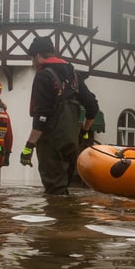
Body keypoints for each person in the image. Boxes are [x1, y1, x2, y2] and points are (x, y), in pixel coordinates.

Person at [19, 36, 99, 194]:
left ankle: (58, 218)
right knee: (64, 189)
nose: (33, 63)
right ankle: (67, 218)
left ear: (37, 56)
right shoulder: (73, 74)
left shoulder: (43, 75)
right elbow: (93, 107)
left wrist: (29, 146)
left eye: (32, 59)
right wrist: (83, 131)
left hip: (52, 143)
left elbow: (41, 116)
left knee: (55, 193)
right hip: (72, 143)